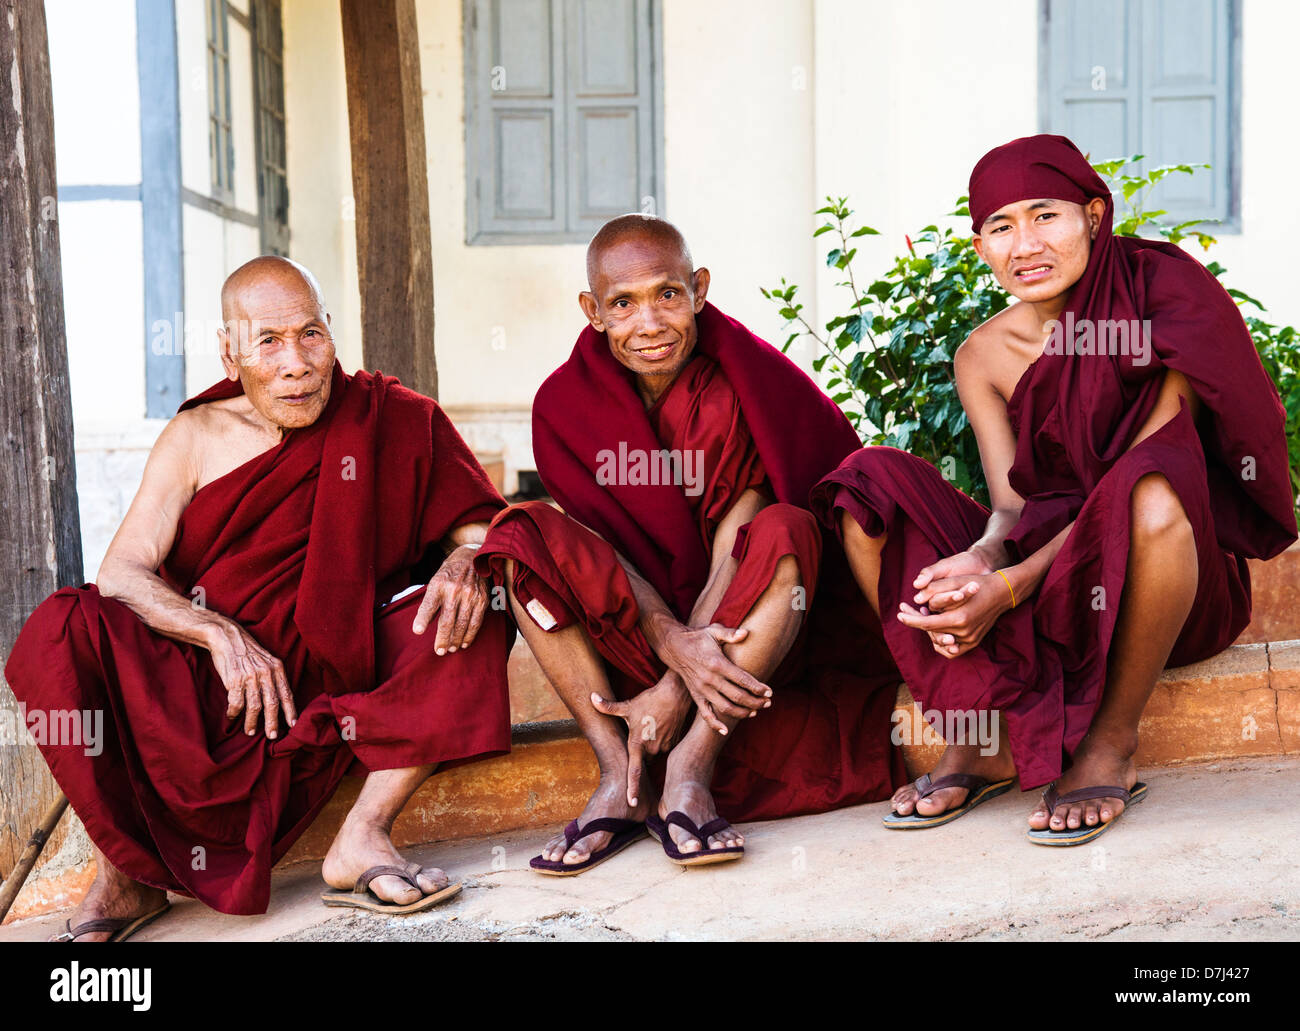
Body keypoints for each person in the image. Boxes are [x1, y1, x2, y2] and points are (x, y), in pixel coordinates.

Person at [5, 256, 513, 938]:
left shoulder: (395, 417)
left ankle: (363, 832)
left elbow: (486, 529)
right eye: (268, 342)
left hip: (336, 670)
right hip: (209, 687)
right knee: (66, 625)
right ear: (230, 351)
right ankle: (127, 874)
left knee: (474, 613)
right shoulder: (196, 436)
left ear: (332, 333)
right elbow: (124, 571)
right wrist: (219, 635)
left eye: (310, 334)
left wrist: (464, 558)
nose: (297, 362)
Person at [812, 134, 1297, 844]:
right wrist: (983, 558)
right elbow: (1012, 505)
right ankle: (976, 735)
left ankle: (1111, 743)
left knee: (1150, 488)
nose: (1025, 244)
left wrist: (1010, 588)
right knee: (869, 485)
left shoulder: (1158, 300)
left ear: (1094, 216)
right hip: (1055, 578)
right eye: (1001, 227)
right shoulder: (982, 354)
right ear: (979, 246)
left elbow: (1147, 469)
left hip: (1159, 580)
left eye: (1046, 216)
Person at [477, 215, 904, 872]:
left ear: (699, 289)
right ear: (593, 311)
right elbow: (600, 553)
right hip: (635, 638)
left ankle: (690, 766)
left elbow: (740, 540)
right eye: (623, 303)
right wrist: (671, 645)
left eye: (667, 294)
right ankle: (618, 774)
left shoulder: (737, 381)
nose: (650, 323)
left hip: (749, 636)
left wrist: (678, 689)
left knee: (788, 527)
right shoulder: (563, 406)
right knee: (520, 535)